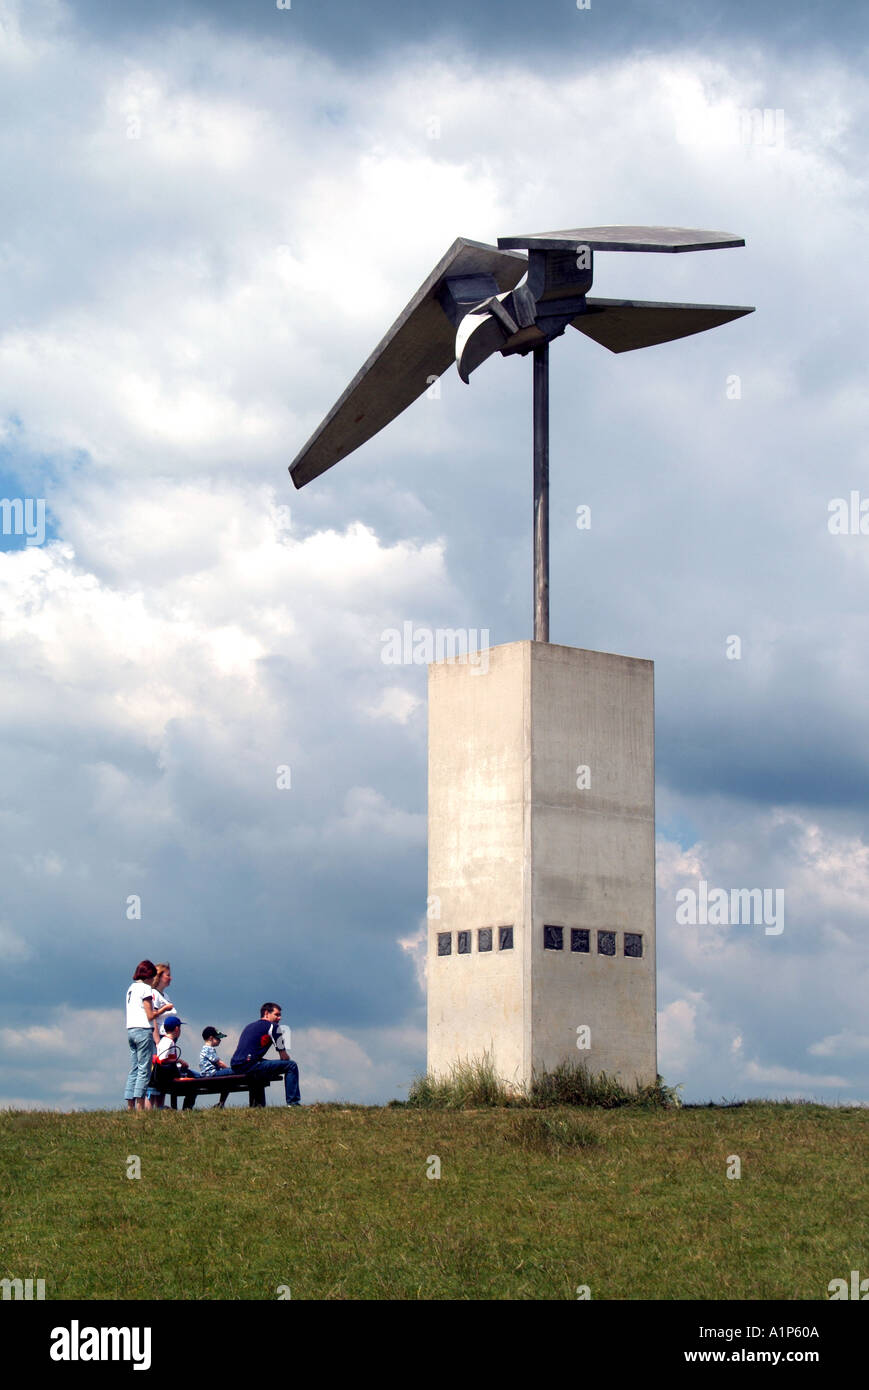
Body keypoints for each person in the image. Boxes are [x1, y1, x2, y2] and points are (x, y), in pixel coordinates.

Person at [230, 1003, 301, 1107]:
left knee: (260, 1066)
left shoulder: (249, 1026)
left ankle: (257, 1105)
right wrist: (286, 1058)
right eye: (277, 1015)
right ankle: (293, 1103)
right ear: (266, 1013)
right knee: (291, 1065)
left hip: (236, 1065)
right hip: (251, 1065)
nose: (279, 1018)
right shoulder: (274, 1027)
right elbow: (284, 1056)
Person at [125, 960, 159, 1111]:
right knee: (144, 1070)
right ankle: (140, 1106)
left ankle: (130, 1106)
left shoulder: (131, 988)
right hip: (143, 1030)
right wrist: (164, 1009)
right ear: (148, 976)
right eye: (152, 977)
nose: (153, 981)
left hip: (131, 1030)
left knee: (134, 1068)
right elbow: (150, 1015)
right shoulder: (146, 989)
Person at [145, 962, 177, 1110]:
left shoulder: (166, 995)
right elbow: (154, 1019)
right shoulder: (154, 995)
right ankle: (150, 1107)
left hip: (168, 1038)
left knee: (163, 1073)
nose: (170, 978)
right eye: (167, 975)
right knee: (155, 1074)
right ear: (160, 976)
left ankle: (160, 1106)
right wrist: (157, 1041)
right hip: (160, 1039)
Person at [153, 1015, 199, 1111]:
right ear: (177, 1028)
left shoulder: (164, 1040)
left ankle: (180, 1109)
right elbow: (162, 1060)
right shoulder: (168, 1042)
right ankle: (187, 1109)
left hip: (165, 1076)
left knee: (192, 1076)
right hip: (169, 1078)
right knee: (194, 1084)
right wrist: (179, 1061)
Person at [199, 1027, 230, 1109]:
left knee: (227, 1081)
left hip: (208, 1074)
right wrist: (229, 1069)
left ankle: (221, 1103)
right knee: (232, 1073)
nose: (220, 1040)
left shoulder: (205, 1049)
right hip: (212, 1074)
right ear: (211, 1038)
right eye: (218, 1038)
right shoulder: (208, 1049)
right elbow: (219, 1063)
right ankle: (221, 1103)